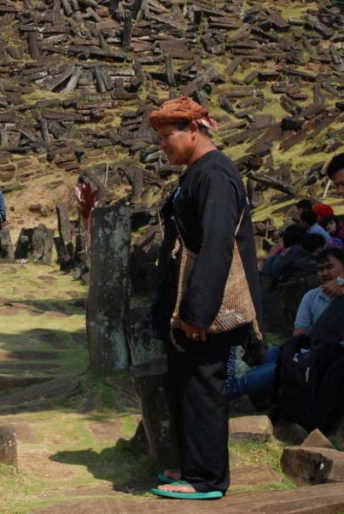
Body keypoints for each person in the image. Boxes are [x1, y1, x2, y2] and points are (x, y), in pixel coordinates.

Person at [148, 97, 261, 500]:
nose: (162, 146)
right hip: (190, 302)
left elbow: (216, 246)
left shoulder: (214, 175)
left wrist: (198, 311)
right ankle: (192, 466)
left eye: (167, 137)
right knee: (186, 384)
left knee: (203, 386)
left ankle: (207, 478)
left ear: (194, 130)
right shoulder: (198, 172)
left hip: (206, 306)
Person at [227, 248, 344, 402]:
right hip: (307, 354)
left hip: (329, 361)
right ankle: (255, 385)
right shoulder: (311, 297)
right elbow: (299, 335)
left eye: (330, 267)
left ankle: (237, 385)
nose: (324, 273)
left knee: (270, 371)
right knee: (275, 353)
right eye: (320, 269)